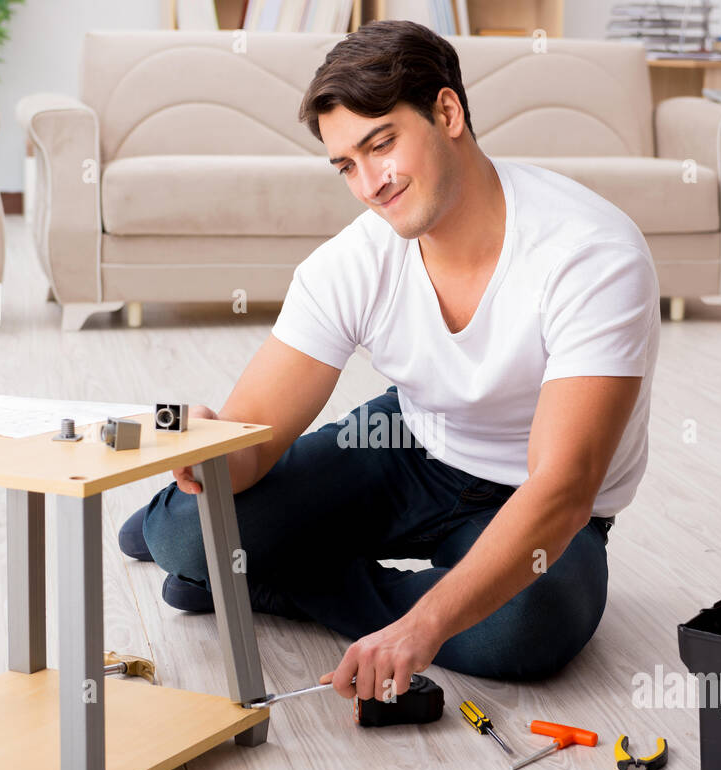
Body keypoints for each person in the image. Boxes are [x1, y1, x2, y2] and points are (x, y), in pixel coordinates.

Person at [121, 19, 660, 703]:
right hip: (409, 446)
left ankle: (259, 581)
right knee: (184, 534)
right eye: (346, 164)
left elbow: (563, 487)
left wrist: (424, 627)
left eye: (381, 145)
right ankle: (208, 556)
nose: (370, 184)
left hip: (542, 502)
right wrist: (210, 446)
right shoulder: (355, 261)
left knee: (530, 623)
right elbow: (251, 441)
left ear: (447, 111)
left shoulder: (590, 252)